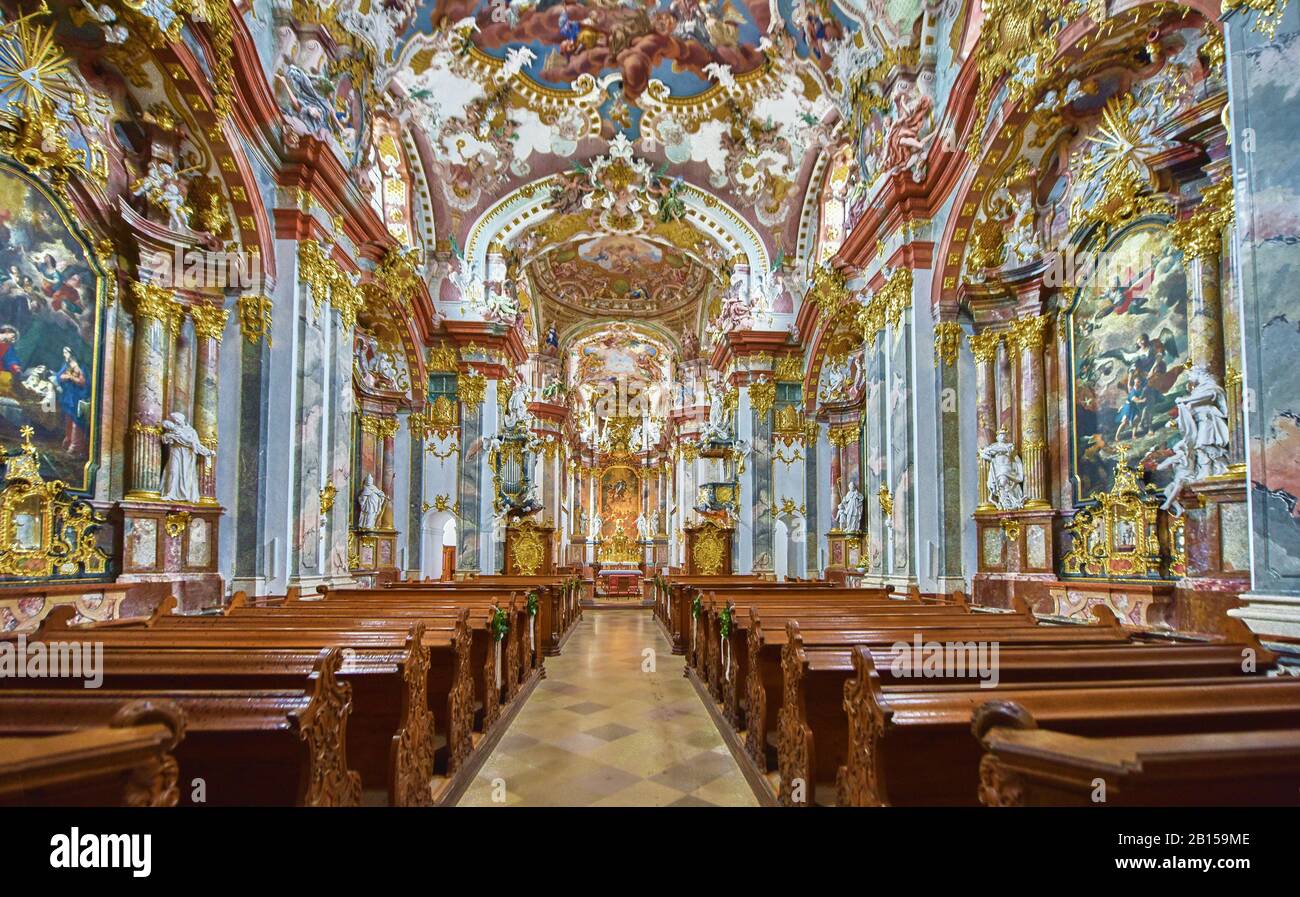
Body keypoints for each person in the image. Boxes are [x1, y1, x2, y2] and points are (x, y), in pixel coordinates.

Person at [160, 412, 212, 502]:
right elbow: (165, 441)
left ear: (181, 419)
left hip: (187, 454)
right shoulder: (172, 431)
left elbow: (196, 444)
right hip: (176, 451)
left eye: (176, 419)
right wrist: (168, 436)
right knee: (173, 470)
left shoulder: (191, 431)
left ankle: (185, 494)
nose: (175, 421)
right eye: (174, 420)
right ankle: (170, 493)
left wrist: (207, 452)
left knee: (186, 475)